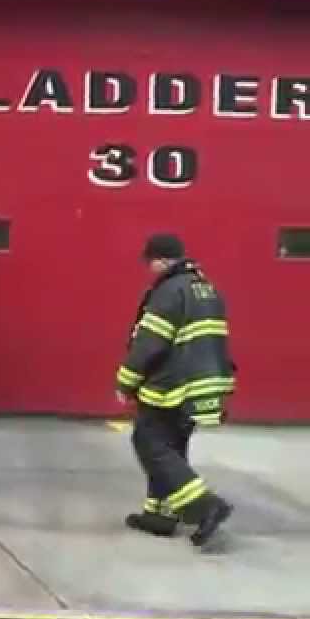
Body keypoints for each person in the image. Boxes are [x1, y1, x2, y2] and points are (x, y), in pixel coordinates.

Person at [116, 234, 236, 547]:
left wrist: (125, 381)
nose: (150, 268)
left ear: (162, 259)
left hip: (172, 385)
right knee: (171, 445)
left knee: (150, 443)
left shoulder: (170, 291)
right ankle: (159, 516)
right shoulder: (206, 288)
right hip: (200, 384)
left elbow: (150, 343)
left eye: (151, 262)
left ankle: (205, 506)